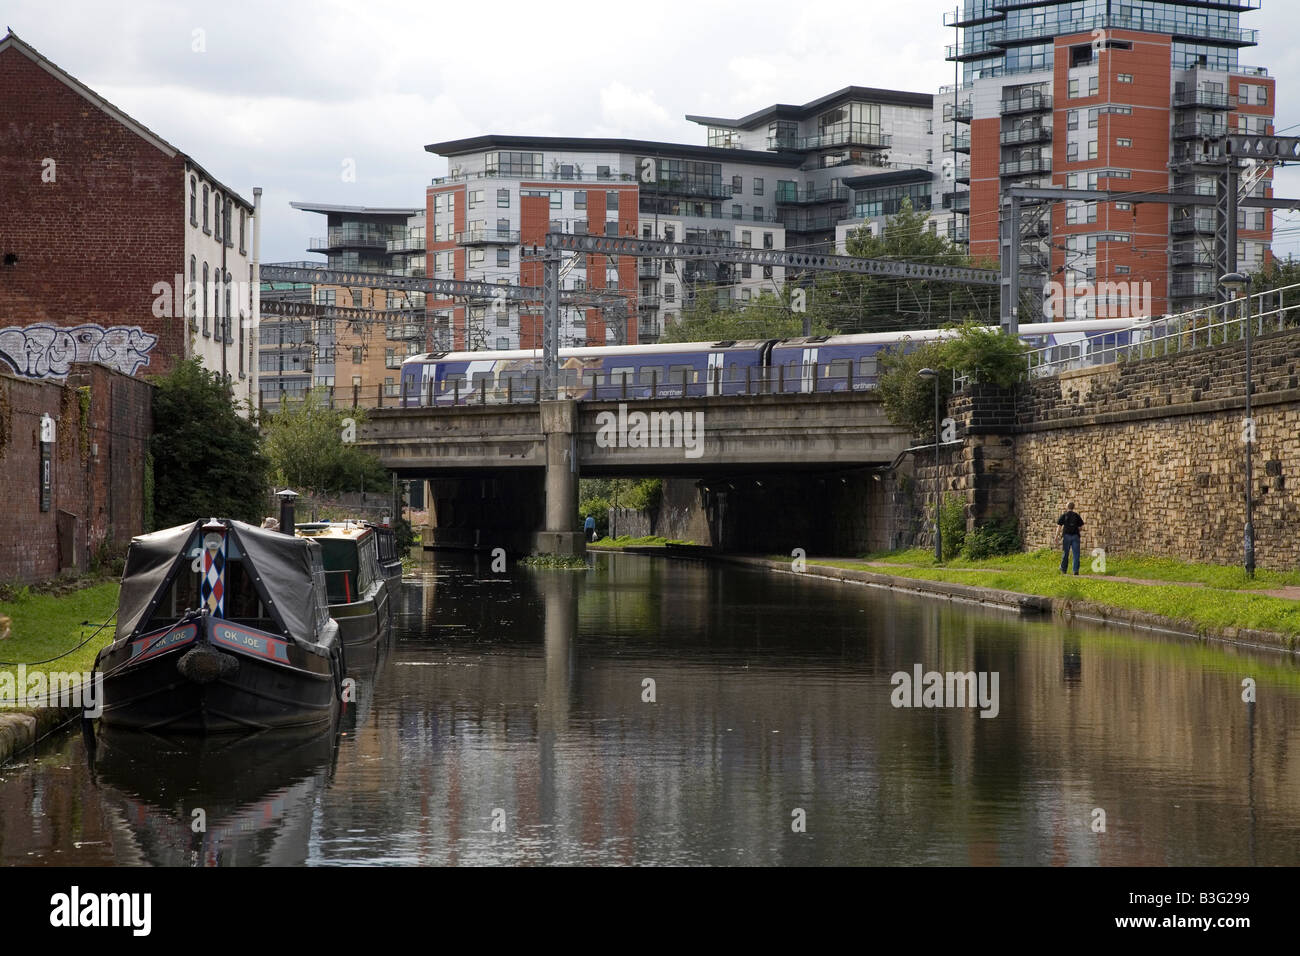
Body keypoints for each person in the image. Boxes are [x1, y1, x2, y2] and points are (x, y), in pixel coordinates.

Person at [1056, 502, 1084, 575]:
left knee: (1066, 553)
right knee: (1076, 554)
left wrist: (1056, 536)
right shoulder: (1077, 516)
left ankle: (1063, 569)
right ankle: (1075, 570)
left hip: (1066, 536)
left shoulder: (1064, 515)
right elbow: (1081, 527)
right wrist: (1076, 529)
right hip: (1075, 536)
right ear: (1073, 507)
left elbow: (1059, 527)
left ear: (1067, 507)